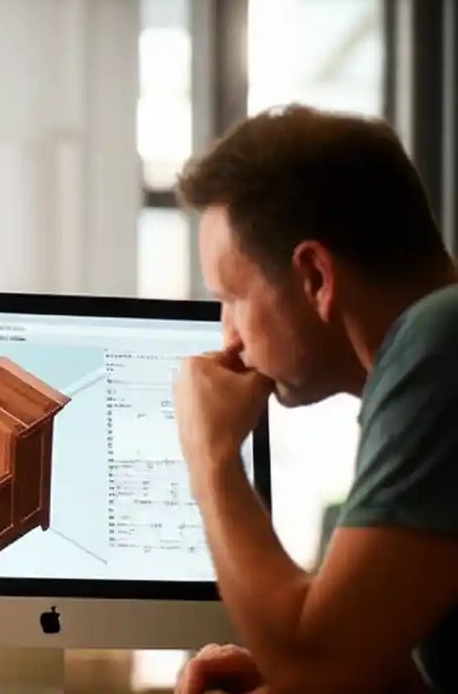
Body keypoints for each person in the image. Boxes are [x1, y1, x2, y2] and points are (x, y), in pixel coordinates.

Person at [169, 104, 458, 693]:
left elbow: (316, 666)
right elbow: (344, 662)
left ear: (316, 278)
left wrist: (213, 458)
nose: (229, 337)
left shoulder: (440, 345)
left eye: (232, 297)